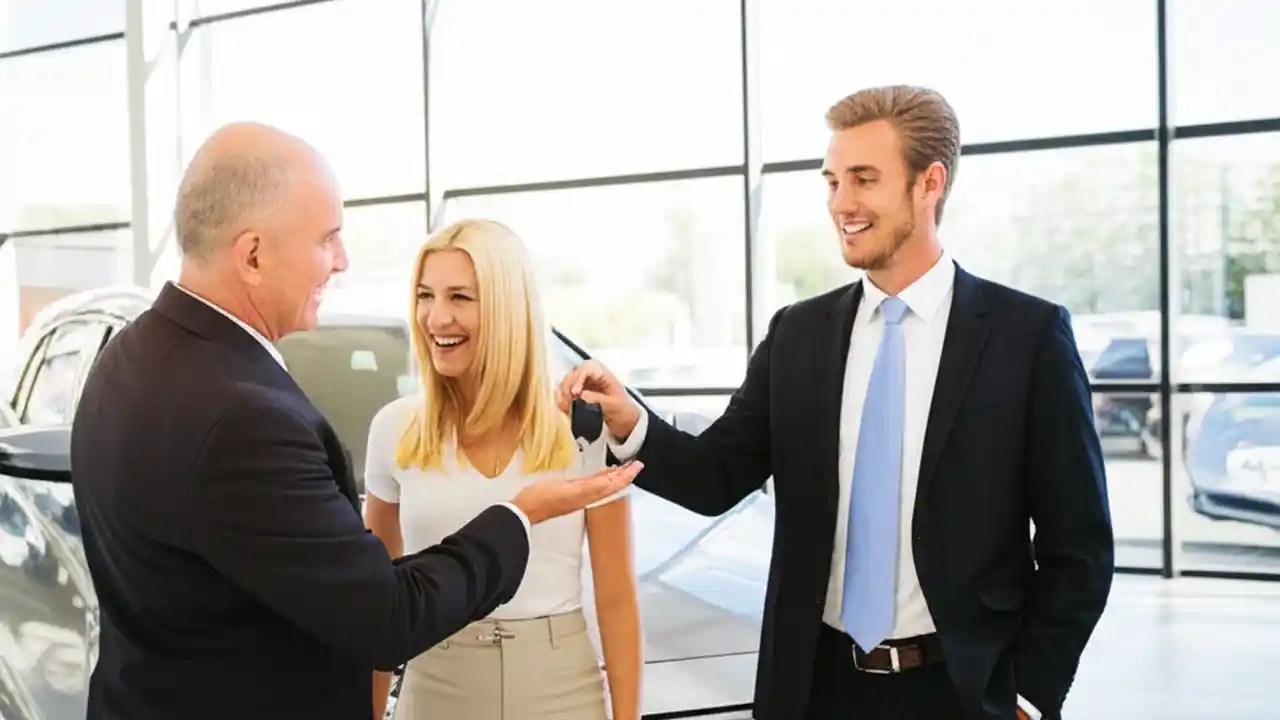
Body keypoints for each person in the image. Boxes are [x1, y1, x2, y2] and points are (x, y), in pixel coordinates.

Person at [559, 85, 1114, 720]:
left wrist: (1027, 694)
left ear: (928, 183)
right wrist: (632, 422)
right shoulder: (798, 334)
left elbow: (1080, 547)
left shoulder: (1028, 336)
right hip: (815, 688)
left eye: (863, 179)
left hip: (961, 692)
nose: (840, 204)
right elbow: (717, 476)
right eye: (831, 182)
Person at [69, 122, 642, 720]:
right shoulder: (245, 416)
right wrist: (522, 514)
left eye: (461, 296)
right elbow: (385, 616)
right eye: (327, 239)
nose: (341, 262)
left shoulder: (125, 361)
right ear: (254, 256)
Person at [363, 219, 642, 720]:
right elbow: (374, 603)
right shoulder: (394, 430)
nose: (436, 317)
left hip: (562, 689)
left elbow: (617, 598)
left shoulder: (580, 430)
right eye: (426, 296)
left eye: (460, 298)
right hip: (434, 684)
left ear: (508, 309)